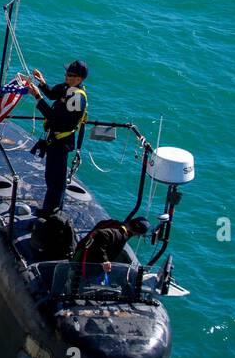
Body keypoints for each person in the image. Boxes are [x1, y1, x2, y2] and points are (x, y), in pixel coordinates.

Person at [25, 60, 89, 216]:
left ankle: (51, 213)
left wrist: (38, 98)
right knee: (50, 177)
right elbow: (53, 94)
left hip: (61, 142)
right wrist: (42, 83)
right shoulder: (67, 88)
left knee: (56, 181)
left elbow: (55, 119)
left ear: (79, 79)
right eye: (66, 73)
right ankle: (49, 210)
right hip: (54, 139)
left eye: (70, 75)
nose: (66, 76)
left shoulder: (76, 98)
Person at [73, 216, 150, 278]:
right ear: (138, 233)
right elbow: (101, 234)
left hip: (84, 255)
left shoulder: (115, 225)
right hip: (85, 262)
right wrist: (105, 260)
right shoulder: (120, 234)